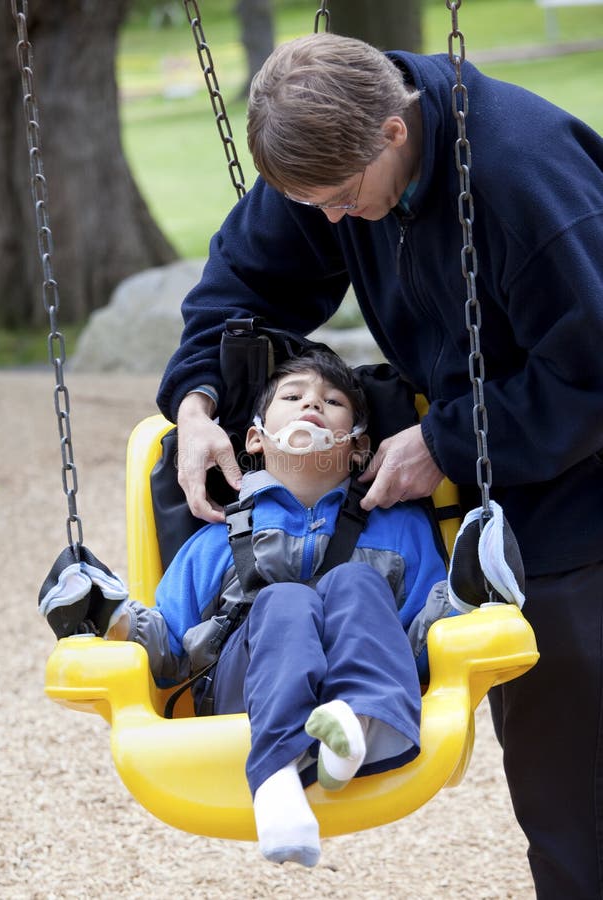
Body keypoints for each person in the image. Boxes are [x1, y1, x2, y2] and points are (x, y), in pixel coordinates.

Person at [154, 33, 603, 896]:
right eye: (308, 203)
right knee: (551, 786)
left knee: (575, 773)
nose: (327, 220)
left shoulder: (524, 179)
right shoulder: (333, 154)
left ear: (394, 132)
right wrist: (199, 399)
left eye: (337, 199)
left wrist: (443, 441)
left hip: (581, 479)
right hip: (497, 462)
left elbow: (589, 371)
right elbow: (244, 281)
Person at [109, 348, 450, 867]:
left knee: (356, 582)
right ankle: (275, 777)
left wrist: (465, 596)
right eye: (293, 397)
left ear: (358, 446)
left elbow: (425, 642)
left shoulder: (399, 529)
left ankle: (357, 723)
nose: (312, 404)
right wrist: (111, 615)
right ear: (254, 438)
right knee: (284, 599)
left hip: (368, 689)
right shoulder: (216, 539)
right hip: (243, 695)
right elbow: (169, 646)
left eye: (332, 401)